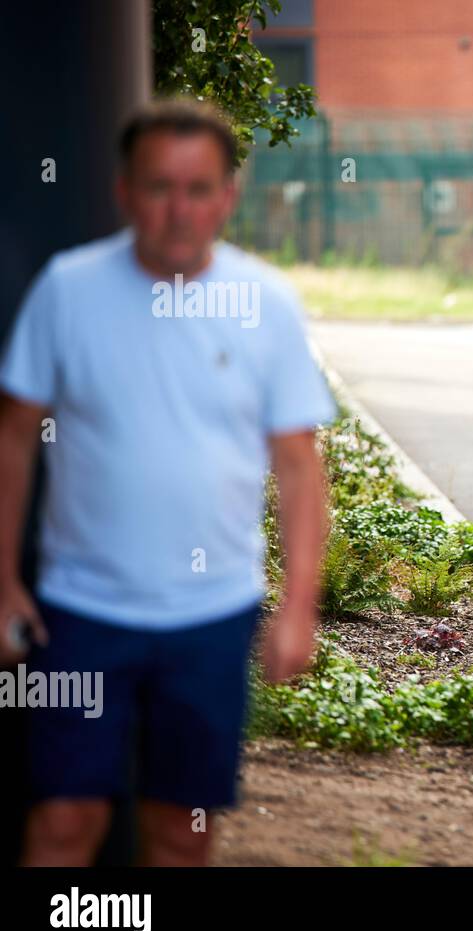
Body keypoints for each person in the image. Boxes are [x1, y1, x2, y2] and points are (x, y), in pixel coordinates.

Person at [0, 98, 334, 866]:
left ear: (227, 197)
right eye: (159, 187)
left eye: (197, 189)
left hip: (211, 614)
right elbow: (14, 437)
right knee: (62, 823)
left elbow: (298, 466)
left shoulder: (267, 305)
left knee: (181, 832)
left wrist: (298, 607)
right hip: (79, 610)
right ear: (125, 192)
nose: (178, 210)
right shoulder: (68, 290)